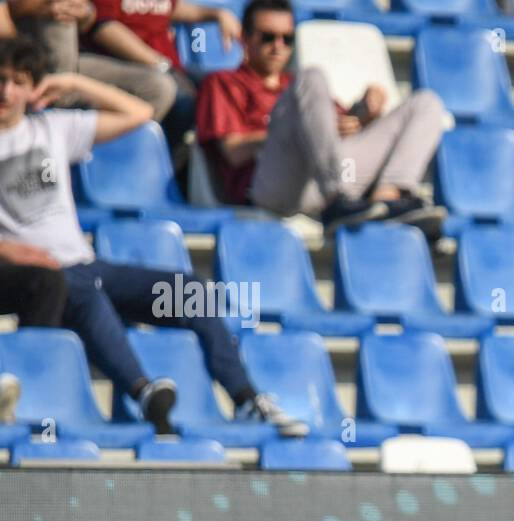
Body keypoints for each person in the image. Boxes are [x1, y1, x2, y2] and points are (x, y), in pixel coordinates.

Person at [0, 36, 305, 437]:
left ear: (33, 86)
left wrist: (76, 83)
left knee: (191, 292)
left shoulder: (54, 129)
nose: (7, 91)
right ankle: (144, 393)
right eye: (0, 79)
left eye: (18, 80)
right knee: (82, 289)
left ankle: (248, 399)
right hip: (44, 276)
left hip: (87, 267)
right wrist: (10, 250)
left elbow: (141, 111)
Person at [195, 0, 442, 229]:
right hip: (272, 184)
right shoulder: (223, 83)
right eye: (268, 37)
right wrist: (290, 130)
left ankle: (388, 201)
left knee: (426, 103)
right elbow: (233, 152)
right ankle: (336, 199)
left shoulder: (293, 84)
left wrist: (364, 112)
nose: (278, 46)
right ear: (245, 39)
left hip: (324, 181)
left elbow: (335, 127)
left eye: (287, 38)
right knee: (312, 76)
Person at [81, 0, 240, 148]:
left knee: (222, 88)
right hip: (128, 67)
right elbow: (103, 28)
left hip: (170, 66)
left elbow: (171, 8)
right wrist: (159, 63)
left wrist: (217, 13)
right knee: (183, 99)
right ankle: (172, 169)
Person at [8, 0, 179, 122]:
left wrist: (85, 11)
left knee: (159, 87)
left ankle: (110, 162)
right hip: (26, 65)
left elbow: (90, 22)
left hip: (72, 65)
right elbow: (7, 15)